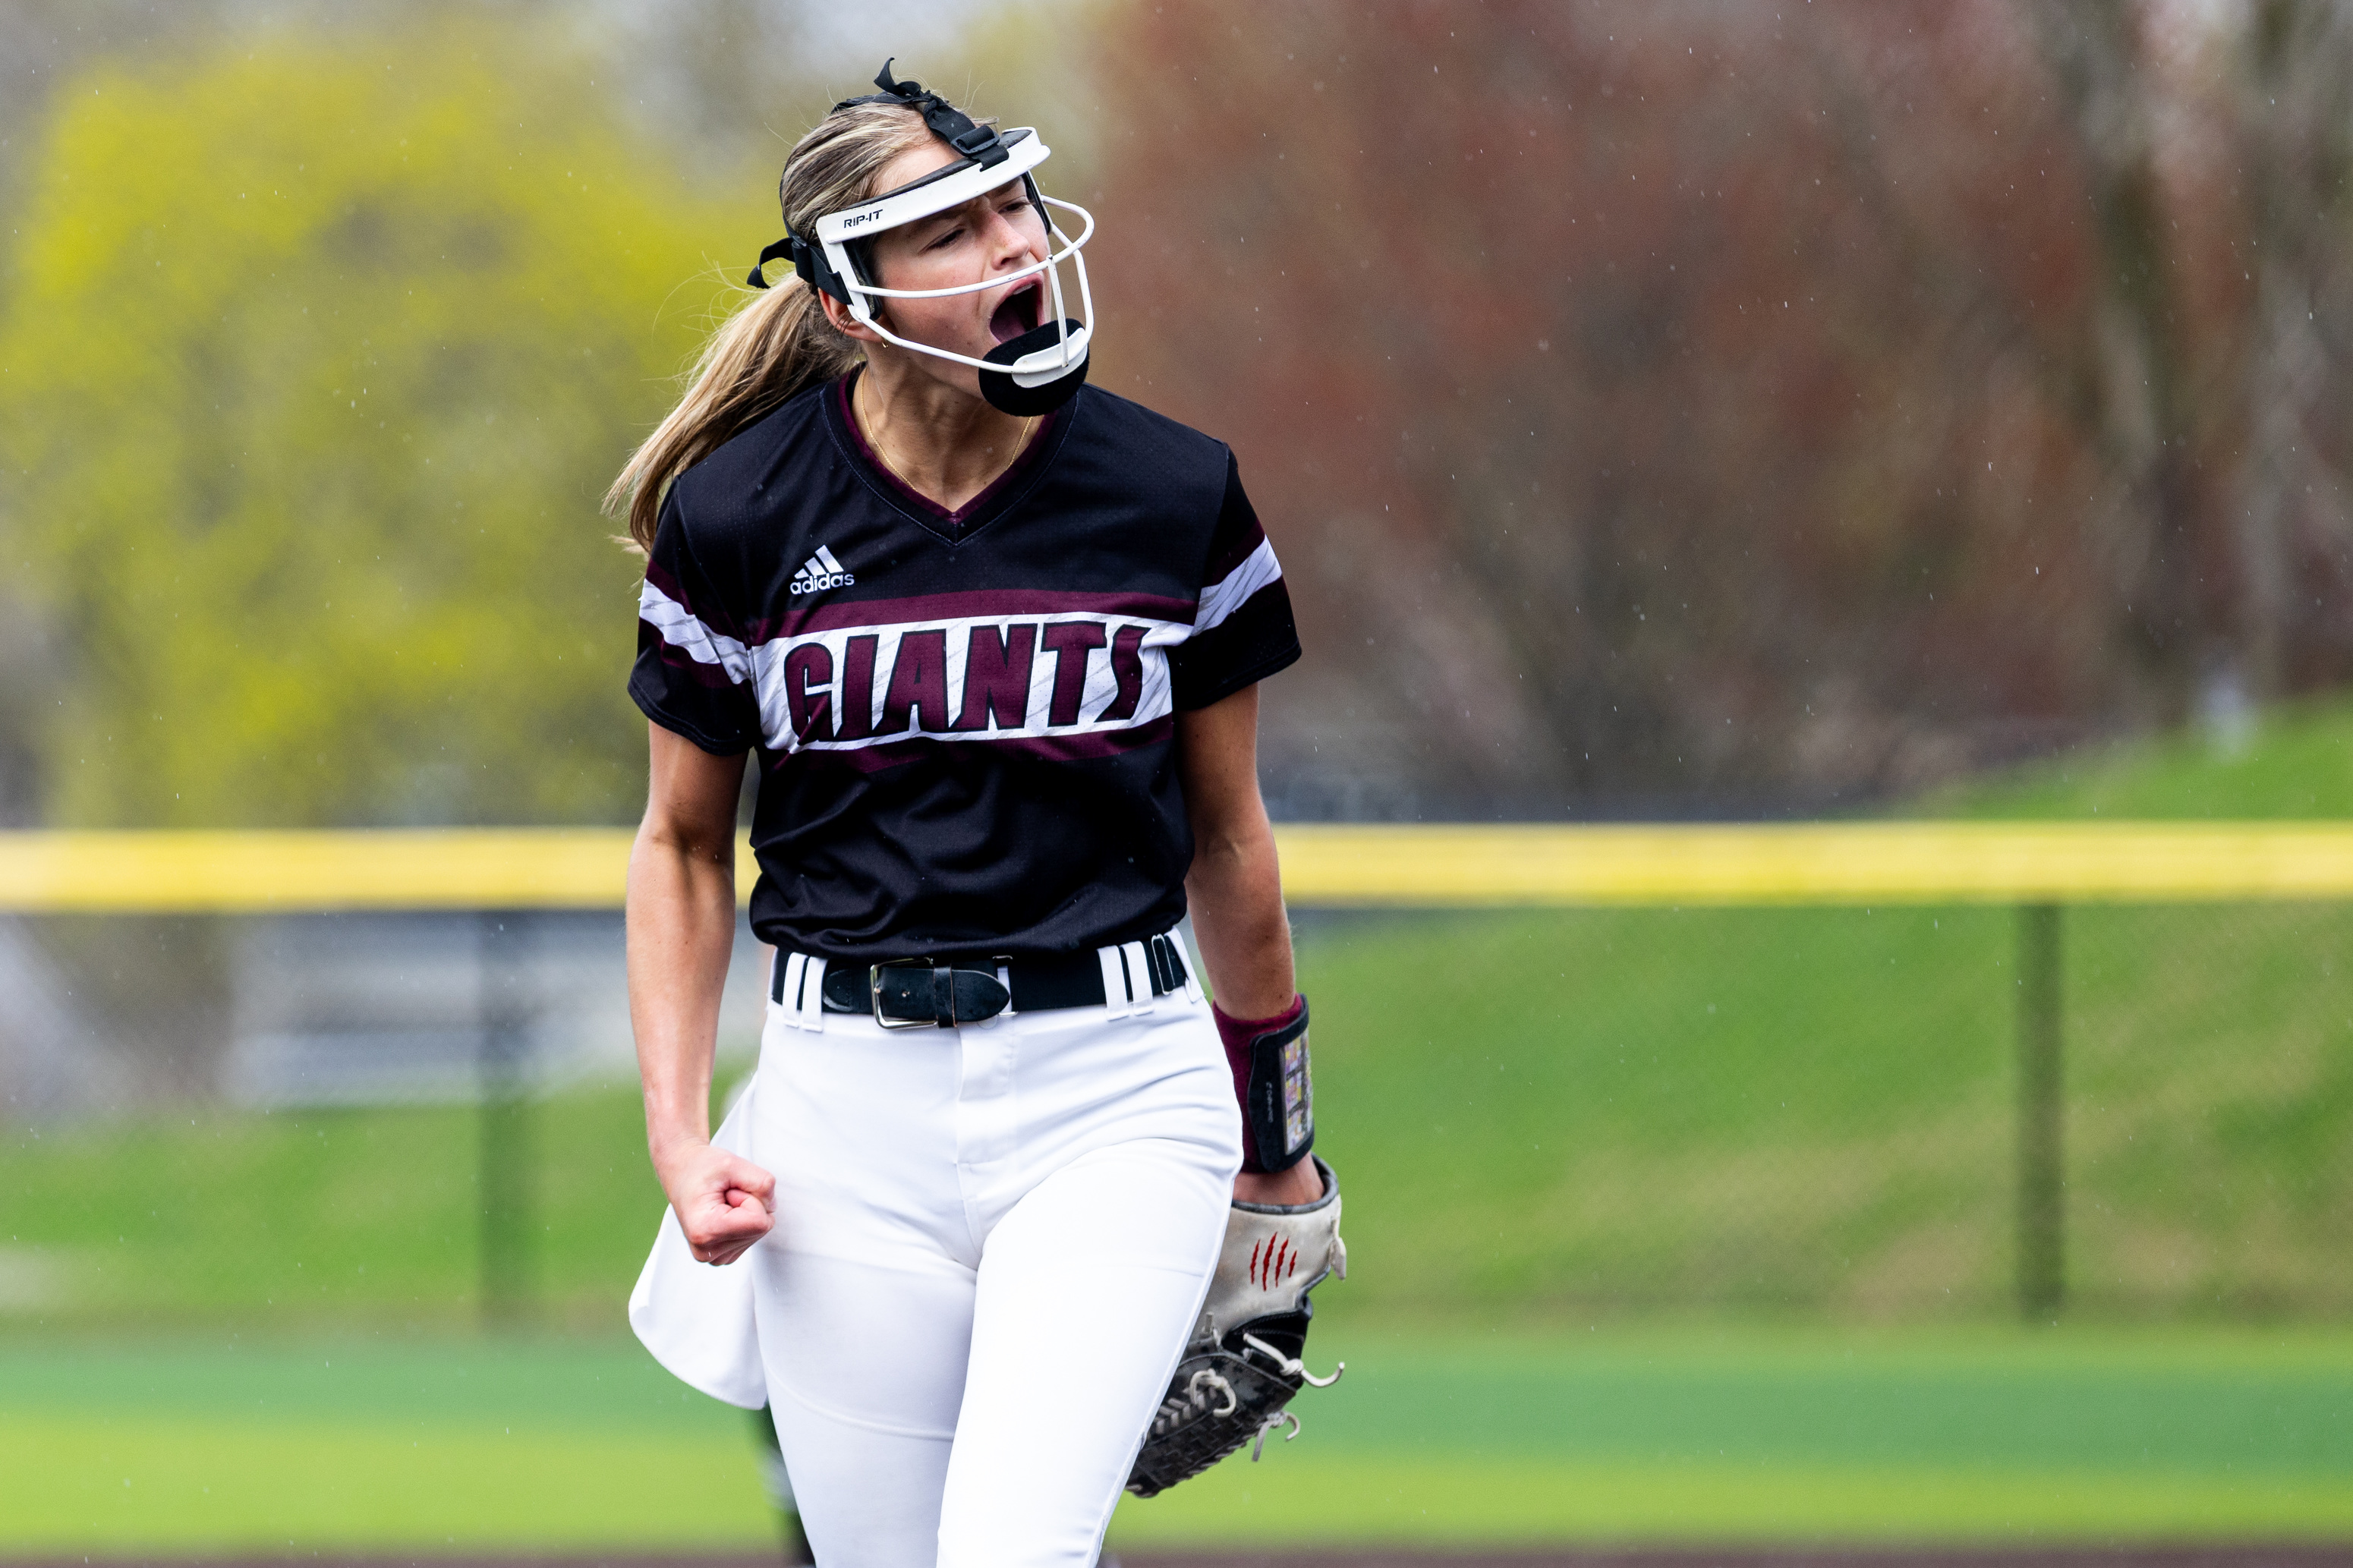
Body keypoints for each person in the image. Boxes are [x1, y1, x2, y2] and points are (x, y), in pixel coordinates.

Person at [609, 64, 1324, 1567]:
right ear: (847, 298)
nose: (1015, 247)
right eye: (953, 229)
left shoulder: (1170, 489)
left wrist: (1280, 1142)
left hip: (1114, 1091)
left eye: (1014, 207)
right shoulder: (739, 515)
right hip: (838, 1111)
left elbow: (1228, 840)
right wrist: (676, 1133)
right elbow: (680, 846)